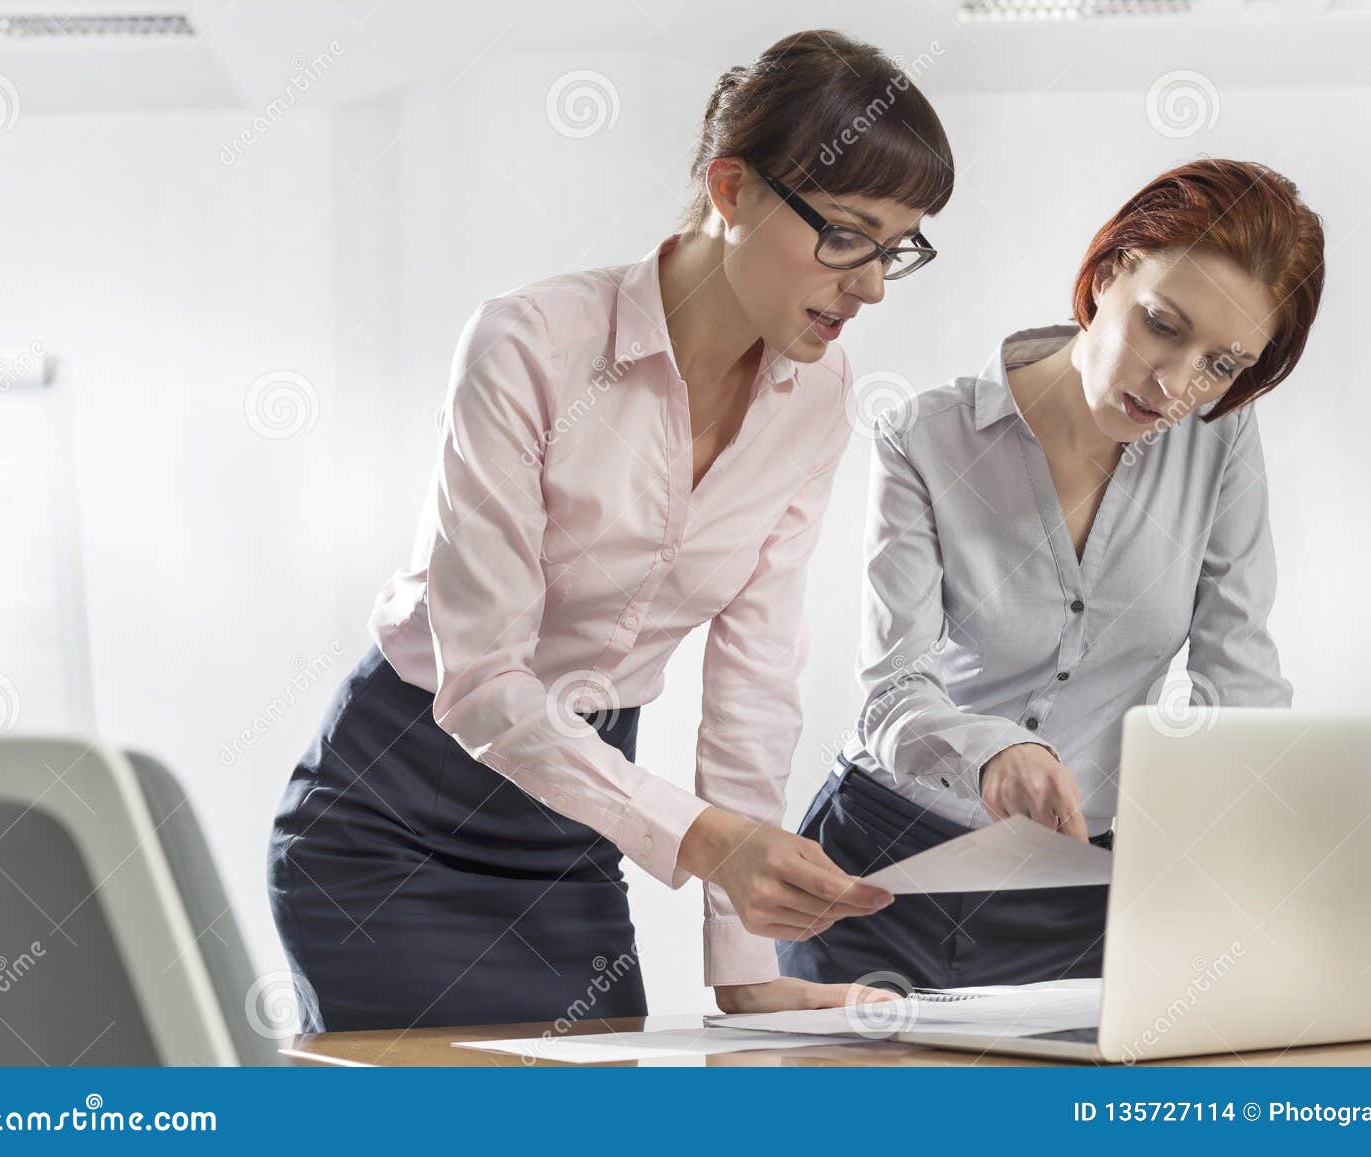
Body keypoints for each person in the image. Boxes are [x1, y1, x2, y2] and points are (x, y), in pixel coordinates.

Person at [267, 29, 954, 1031]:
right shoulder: (531, 344)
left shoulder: (817, 393)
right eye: (846, 235)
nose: (872, 284)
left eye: (896, 249)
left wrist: (744, 965)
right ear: (731, 190)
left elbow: (754, 682)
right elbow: (483, 680)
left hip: (570, 834)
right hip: (394, 817)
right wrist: (706, 839)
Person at [780, 158, 1326, 991]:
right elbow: (893, 692)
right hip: (881, 872)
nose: (1176, 384)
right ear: (1108, 275)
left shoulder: (1220, 443)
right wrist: (997, 751)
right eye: (1162, 325)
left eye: (1221, 365)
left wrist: (1245, 848)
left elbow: (1239, 680)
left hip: (1076, 896)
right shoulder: (927, 438)